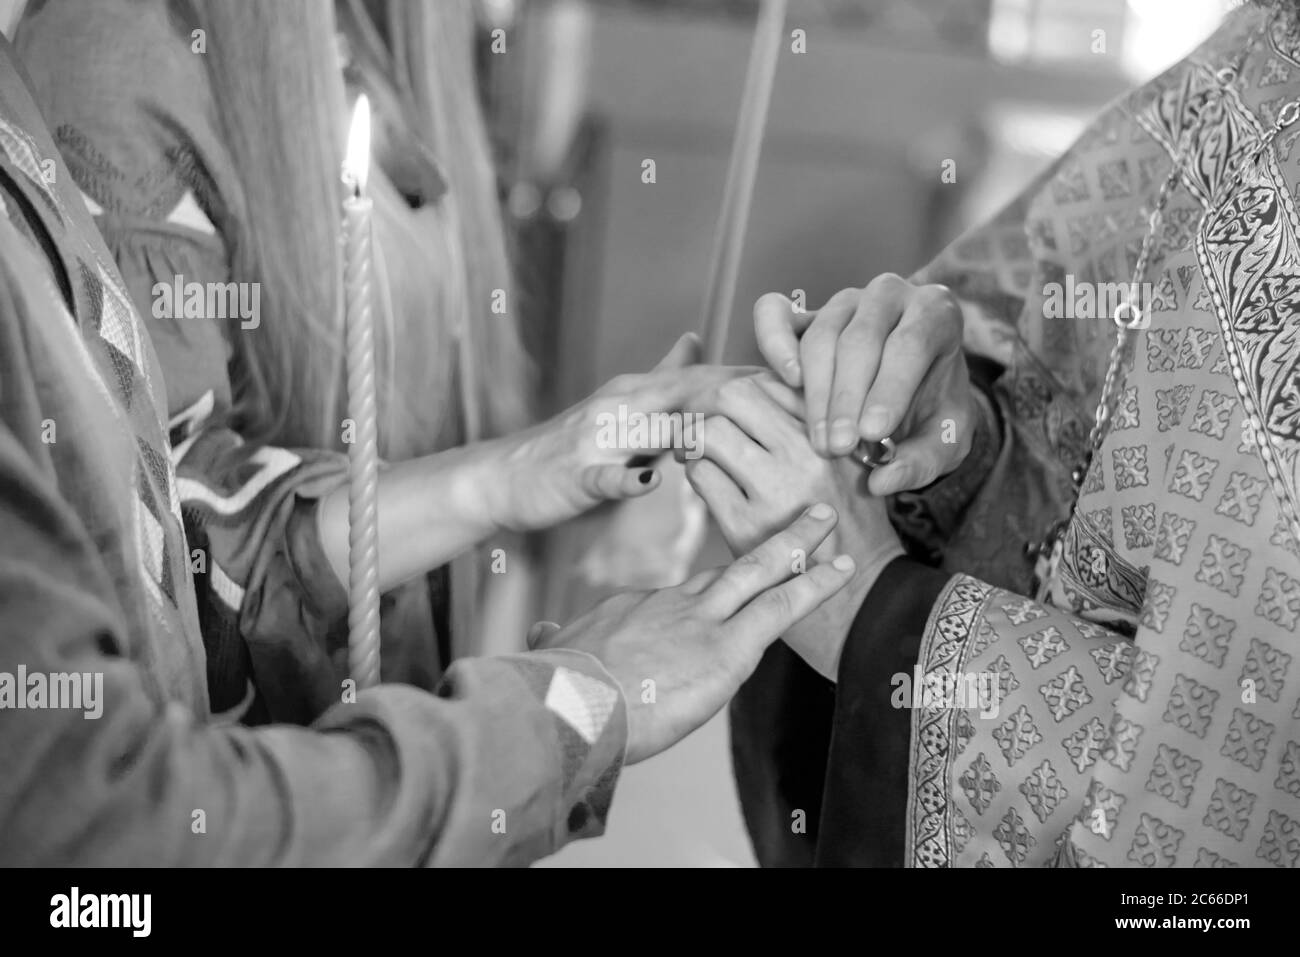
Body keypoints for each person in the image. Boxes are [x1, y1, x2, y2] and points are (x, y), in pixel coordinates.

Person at [0, 29, 860, 865]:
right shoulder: (110, 55)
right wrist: (568, 708)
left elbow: (165, 546)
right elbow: (116, 828)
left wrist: (519, 474)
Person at [692, 0, 1300, 867]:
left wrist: (881, 616)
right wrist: (959, 438)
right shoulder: (1267, 39)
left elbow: (1230, 820)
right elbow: (1077, 399)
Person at [14, 0, 705, 725]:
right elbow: (164, 546)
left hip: (417, 749)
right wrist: (499, 481)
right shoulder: (109, 49)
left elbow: (439, 425)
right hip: (284, 793)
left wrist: (594, 498)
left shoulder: (378, 27)